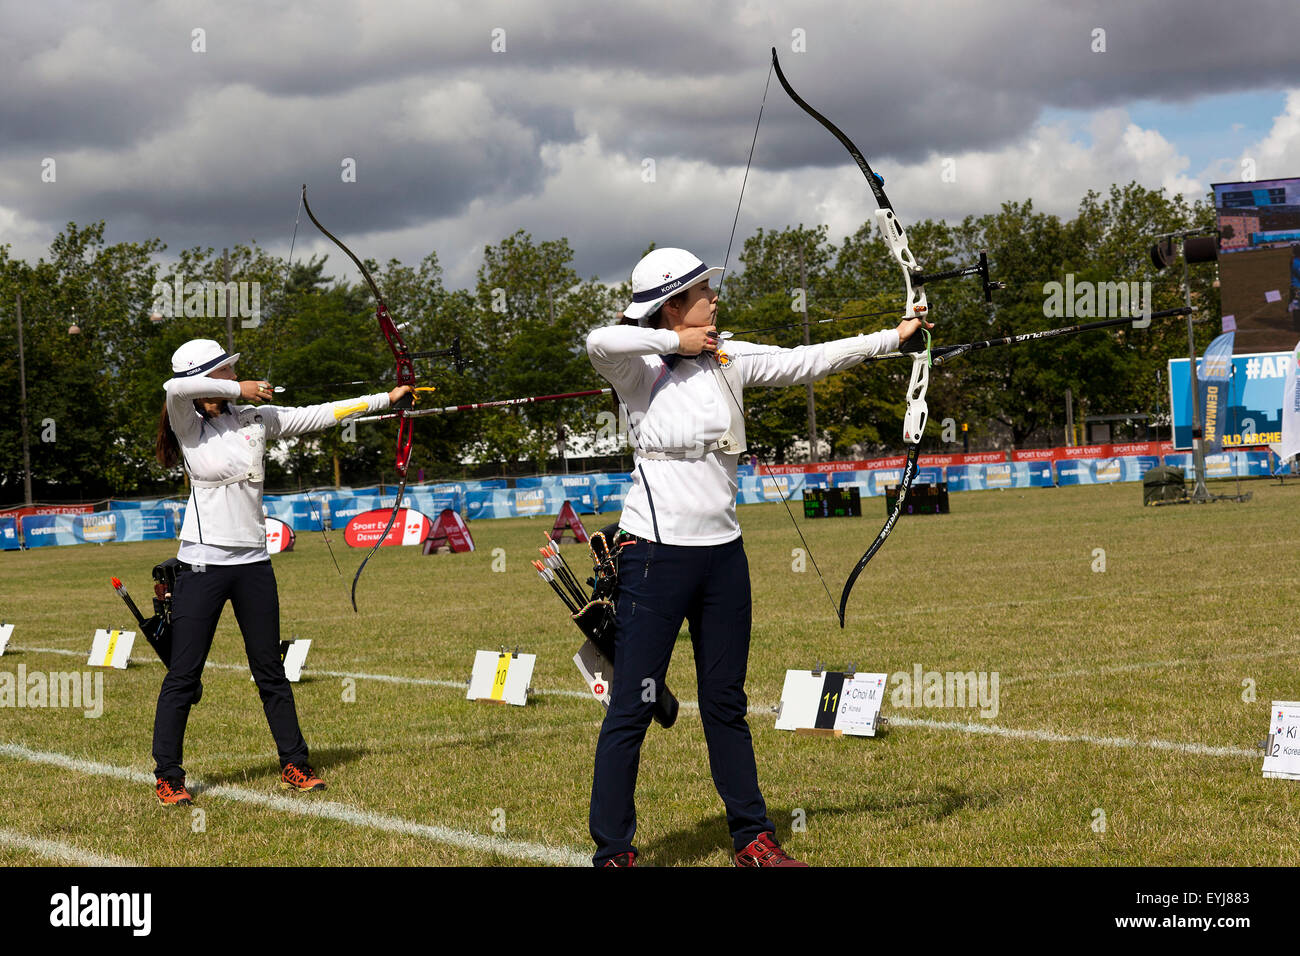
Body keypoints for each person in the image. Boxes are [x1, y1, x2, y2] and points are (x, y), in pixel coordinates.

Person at [585, 247, 930, 866]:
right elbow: (597, 340)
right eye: (702, 293)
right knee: (633, 705)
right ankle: (613, 851)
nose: (715, 300)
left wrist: (892, 338)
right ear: (672, 305)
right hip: (653, 557)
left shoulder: (729, 356)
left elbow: (808, 360)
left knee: (725, 702)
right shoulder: (639, 371)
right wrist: (674, 344)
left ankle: (752, 838)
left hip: (722, 557)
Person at [150, 339, 409, 805]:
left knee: (270, 669)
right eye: (225, 373)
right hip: (202, 564)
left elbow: (319, 413)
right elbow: (175, 385)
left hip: (253, 564)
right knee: (184, 675)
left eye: (232, 372)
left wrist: (385, 399)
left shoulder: (255, 419)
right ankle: (168, 775)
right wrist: (240, 386)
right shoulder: (188, 423)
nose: (232, 378)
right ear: (207, 378)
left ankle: (294, 763)